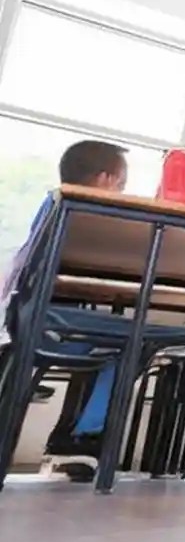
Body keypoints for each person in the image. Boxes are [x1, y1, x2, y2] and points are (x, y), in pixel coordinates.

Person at [1, 140, 129, 463]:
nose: (123, 192)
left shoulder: (54, 206)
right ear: (106, 180)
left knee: (111, 340)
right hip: (52, 323)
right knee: (131, 341)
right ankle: (80, 438)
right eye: (122, 184)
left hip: (28, 316)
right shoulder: (85, 213)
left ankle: (71, 435)